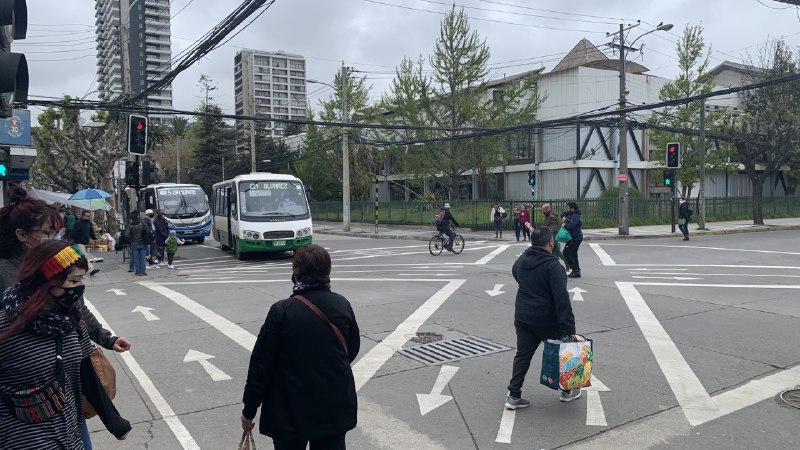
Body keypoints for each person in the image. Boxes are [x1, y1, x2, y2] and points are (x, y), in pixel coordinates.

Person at [0, 185, 133, 448]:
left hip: (68, 427)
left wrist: (107, 338)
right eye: (48, 232)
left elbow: (85, 370)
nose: (54, 237)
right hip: (23, 434)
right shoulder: (8, 327)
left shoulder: (70, 321)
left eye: (56, 231)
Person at [241, 244, 360, 449]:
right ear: (327, 271)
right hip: (332, 409)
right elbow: (352, 349)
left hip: (289, 412)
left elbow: (261, 366)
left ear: (296, 272)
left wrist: (249, 409)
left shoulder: (282, 311)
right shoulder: (342, 305)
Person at [504, 226, 582, 409]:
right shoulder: (553, 265)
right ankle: (566, 391)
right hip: (548, 320)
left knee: (522, 356)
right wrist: (570, 329)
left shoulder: (523, 258)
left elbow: (516, 273)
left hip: (523, 317)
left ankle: (514, 395)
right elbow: (562, 300)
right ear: (550, 242)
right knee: (563, 354)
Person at [71, 210, 100, 276]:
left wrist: (95, 239)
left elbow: (91, 233)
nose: (89, 217)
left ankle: (77, 271)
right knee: (85, 256)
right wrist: (72, 241)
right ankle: (91, 270)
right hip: (78, 242)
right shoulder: (77, 223)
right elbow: (73, 233)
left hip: (84, 242)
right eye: (87, 216)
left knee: (79, 258)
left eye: (89, 216)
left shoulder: (89, 223)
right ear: (83, 216)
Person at [562, 202, 583, 279]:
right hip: (572, 237)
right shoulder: (570, 214)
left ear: (572, 208)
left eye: (568, 208)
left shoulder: (575, 216)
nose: (567, 210)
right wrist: (564, 216)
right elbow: (563, 213)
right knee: (573, 254)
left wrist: (565, 225)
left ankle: (575, 270)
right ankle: (576, 271)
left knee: (567, 252)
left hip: (575, 238)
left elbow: (571, 226)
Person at [124, 211, 149, 276]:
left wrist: (130, 239)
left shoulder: (130, 226)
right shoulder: (142, 223)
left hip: (134, 243)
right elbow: (148, 229)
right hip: (143, 242)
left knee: (136, 258)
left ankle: (138, 272)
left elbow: (126, 235)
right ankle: (143, 271)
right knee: (143, 258)